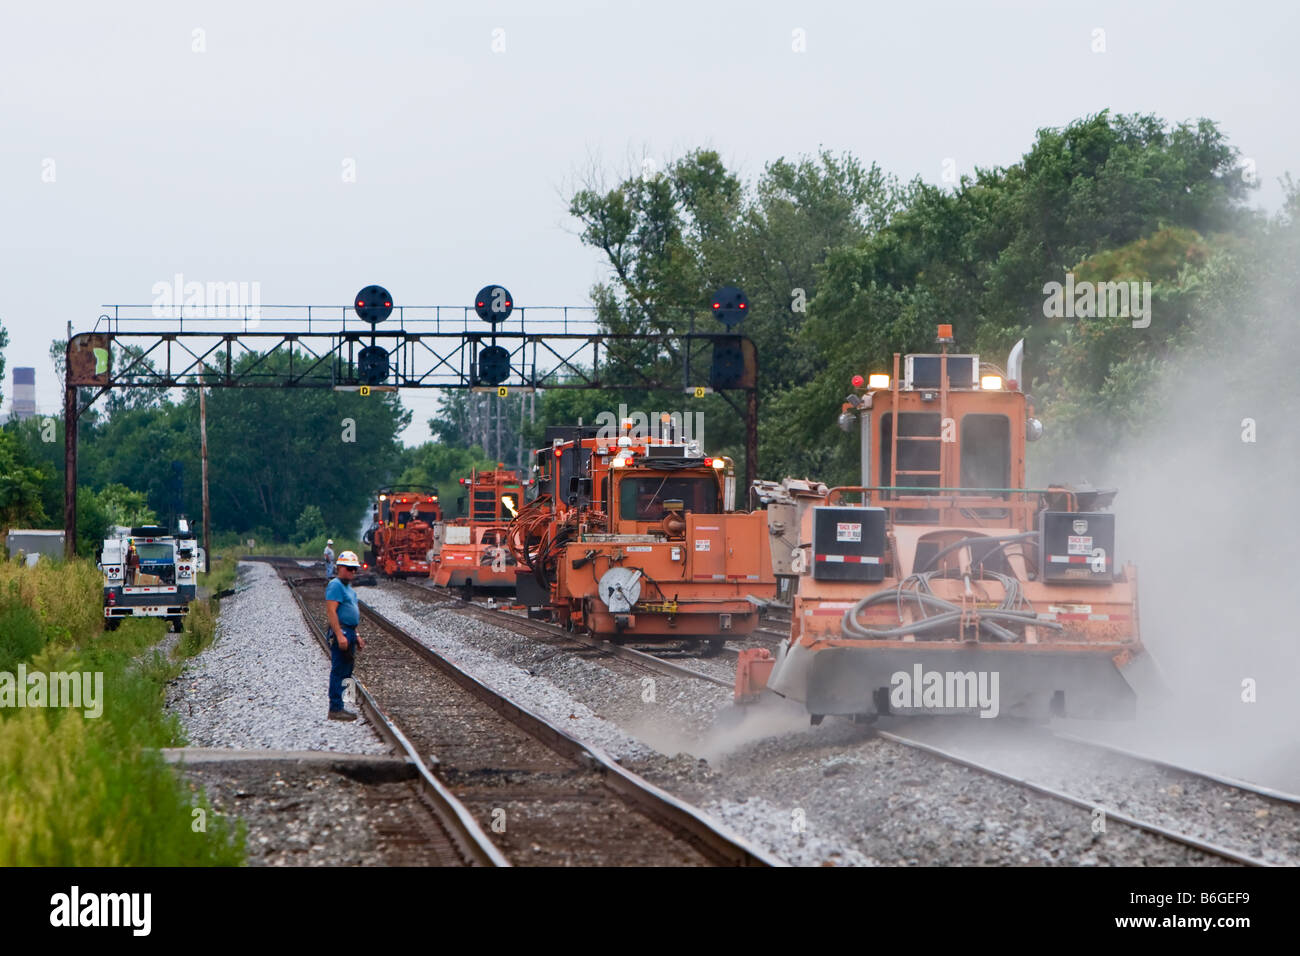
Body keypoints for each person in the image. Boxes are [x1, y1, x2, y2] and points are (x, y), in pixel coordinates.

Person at [324, 550, 365, 721]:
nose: (352, 572)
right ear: (340, 567)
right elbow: (332, 611)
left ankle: (343, 705)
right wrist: (339, 635)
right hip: (342, 631)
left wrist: (356, 635)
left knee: (347, 670)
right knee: (339, 669)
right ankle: (335, 708)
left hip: (349, 631)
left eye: (354, 569)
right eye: (349, 568)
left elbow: (350, 615)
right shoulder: (335, 585)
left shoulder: (349, 589)